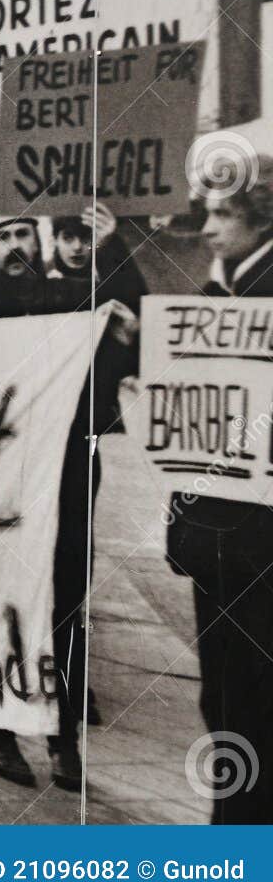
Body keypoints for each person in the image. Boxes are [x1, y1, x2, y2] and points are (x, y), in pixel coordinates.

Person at [0, 215, 132, 791]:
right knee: (1, 601)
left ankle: (62, 736)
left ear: (39, 240)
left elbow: (120, 348)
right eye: (1, 237)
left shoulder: (74, 298)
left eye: (22, 233)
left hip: (67, 475)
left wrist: (114, 257)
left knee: (66, 600)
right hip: (0, 483)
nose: (13, 246)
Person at [166, 166, 273, 822]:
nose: (207, 228)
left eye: (223, 214)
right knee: (226, 699)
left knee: (250, 702)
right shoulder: (220, 291)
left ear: (262, 219)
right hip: (220, 541)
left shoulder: (255, 296)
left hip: (255, 543)